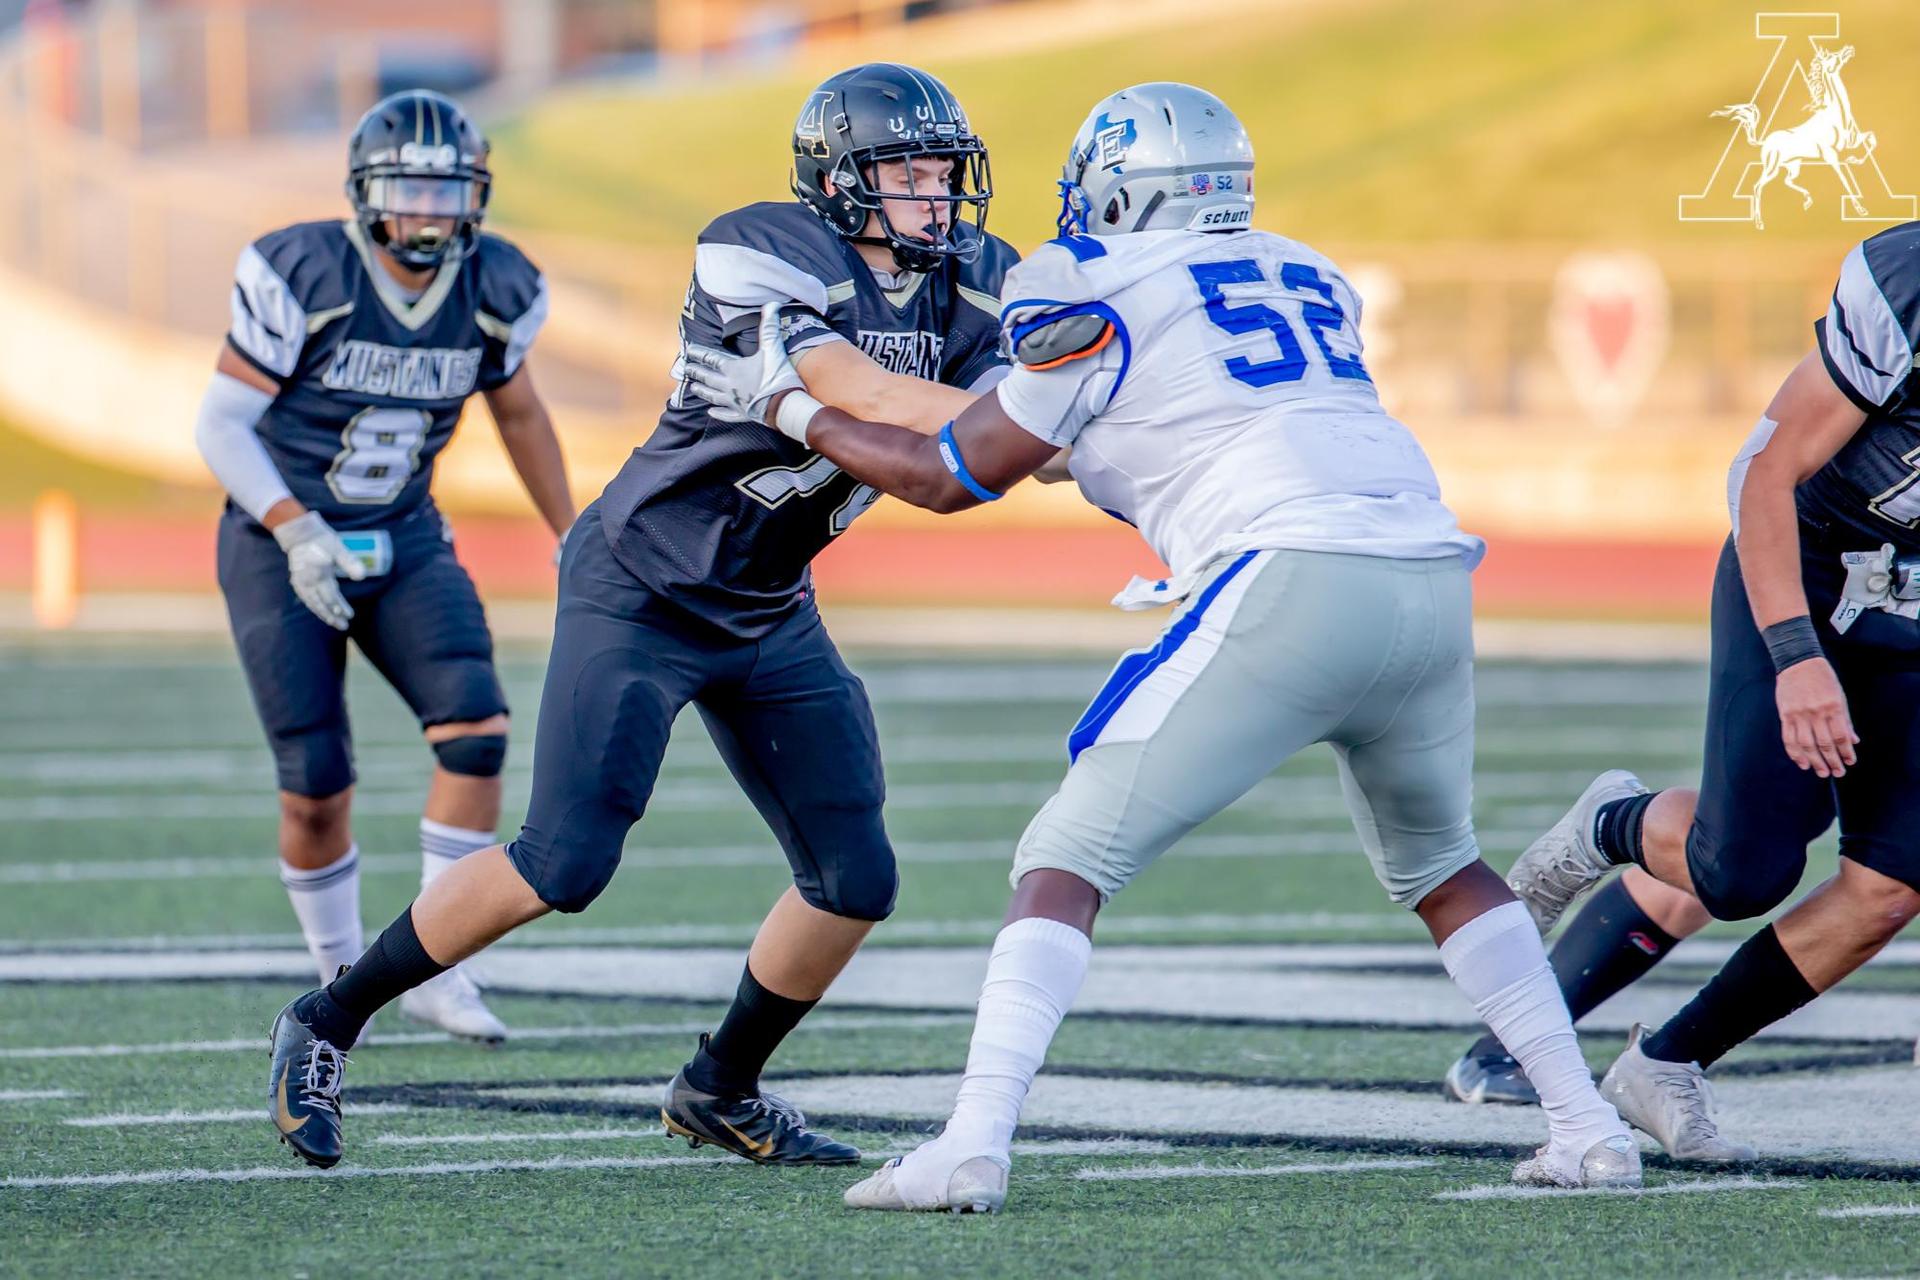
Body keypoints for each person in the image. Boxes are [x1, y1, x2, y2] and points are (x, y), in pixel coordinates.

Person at [682, 82, 1642, 1210]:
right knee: (1444, 866)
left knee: (1061, 859)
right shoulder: (1304, 268)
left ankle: (973, 1141)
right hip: (1431, 572)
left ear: (1116, 190)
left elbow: (948, 475)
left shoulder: (1082, 279)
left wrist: (796, 411)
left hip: (1291, 577)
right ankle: (1586, 1124)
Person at [264, 64, 1020, 1171]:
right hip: (644, 586)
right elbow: (877, 399)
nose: (938, 195)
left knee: (858, 879)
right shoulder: (764, 254)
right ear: (840, 183)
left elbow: (1010, 431)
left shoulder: (973, 282)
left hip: (770, 601)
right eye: (909, 171)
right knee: (563, 860)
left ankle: (721, 1085)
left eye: (945, 171)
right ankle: (326, 1017)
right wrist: (1032, 422)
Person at [1501, 220, 1920, 1159]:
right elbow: (1765, 472)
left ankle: (1670, 1060)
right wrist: (1795, 654)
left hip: (1914, 604)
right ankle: (1610, 823)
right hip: (1809, 571)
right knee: (1744, 873)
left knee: (1891, 887)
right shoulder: (1910, 282)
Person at [200, 89, 573, 1045]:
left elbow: (519, 411)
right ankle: (340, 981)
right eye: (411, 189)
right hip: (277, 540)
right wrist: (290, 525)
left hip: (403, 532)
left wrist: (571, 529)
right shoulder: (307, 270)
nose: (432, 212)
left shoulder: (495, 283)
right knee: (316, 785)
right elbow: (222, 423)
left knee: (478, 732)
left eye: (450, 192)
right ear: (367, 195)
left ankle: (440, 970)